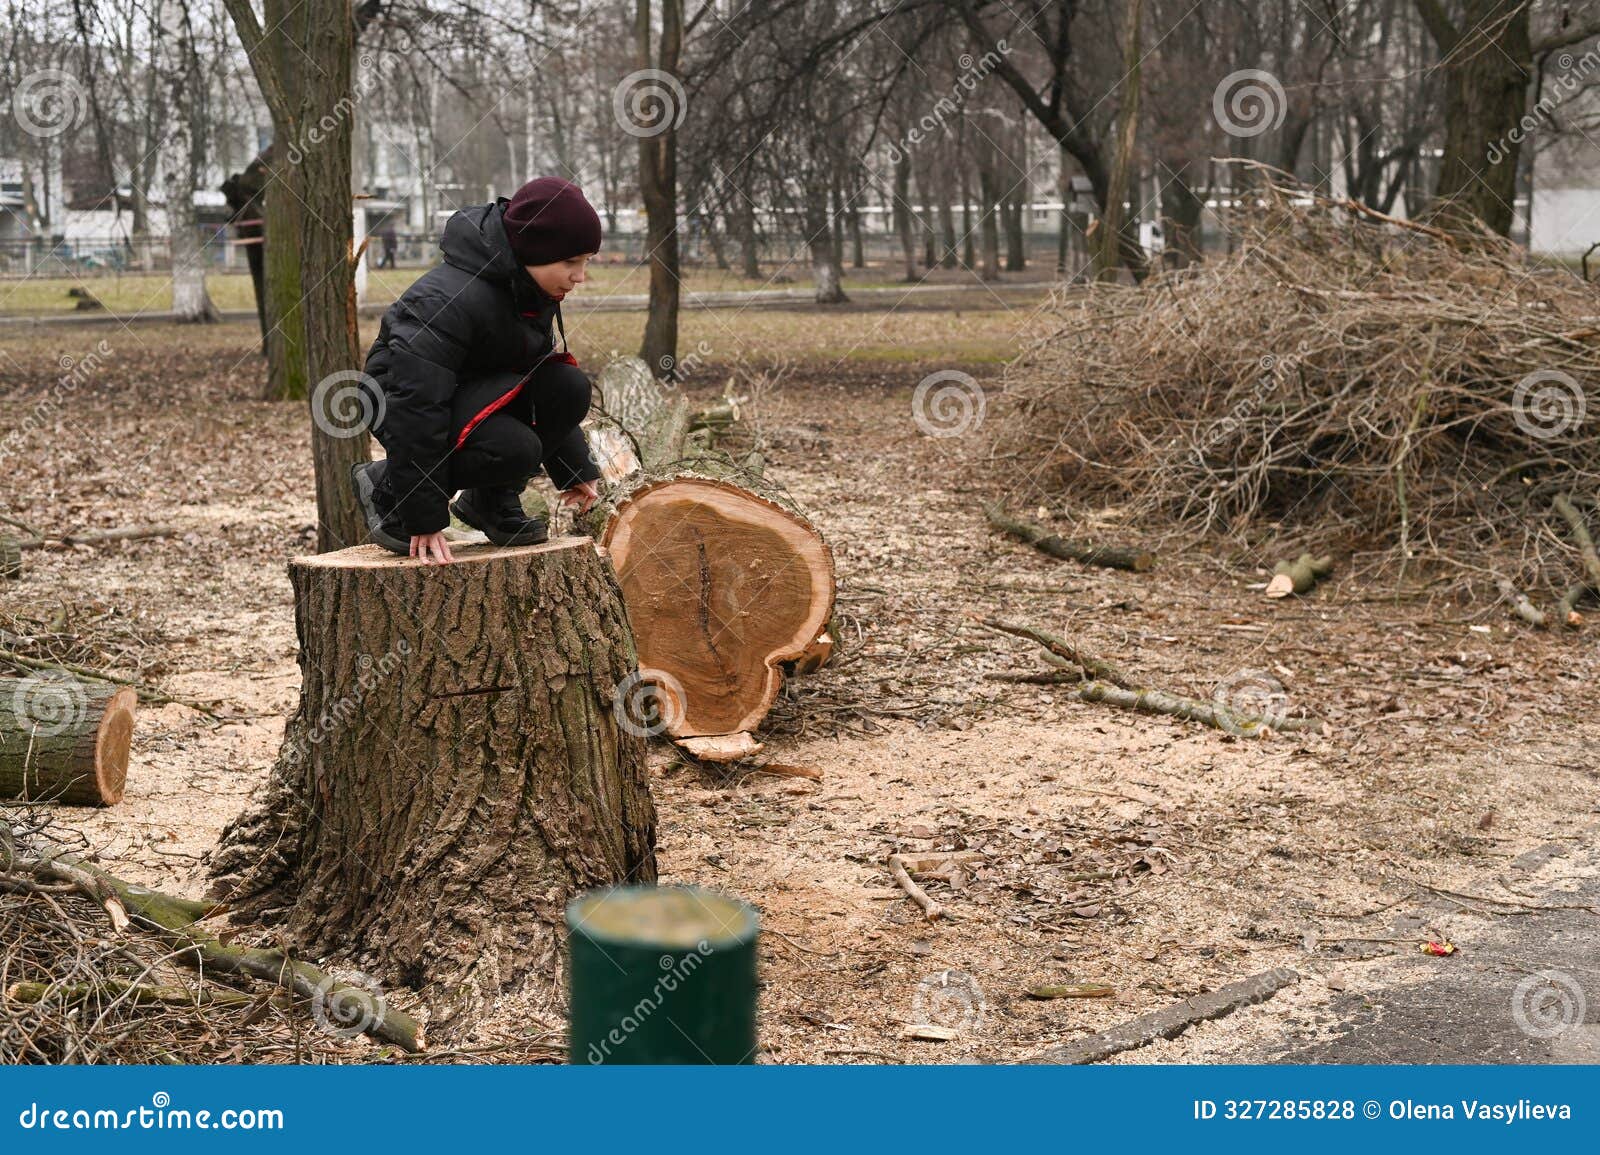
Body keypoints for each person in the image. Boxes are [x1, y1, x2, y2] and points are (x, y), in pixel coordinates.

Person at [351, 177, 604, 565]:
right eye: (570, 262)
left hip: (469, 394)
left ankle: (490, 500)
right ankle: (387, 489)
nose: (580, 276)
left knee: (567, 385)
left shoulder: (529, 291)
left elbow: (536, 382)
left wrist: (574, 469)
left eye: (585, 262)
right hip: (397, 401)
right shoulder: (445, 299)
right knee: (514, 448)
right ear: (534, 249)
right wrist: (422, 513)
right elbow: (417, 404)